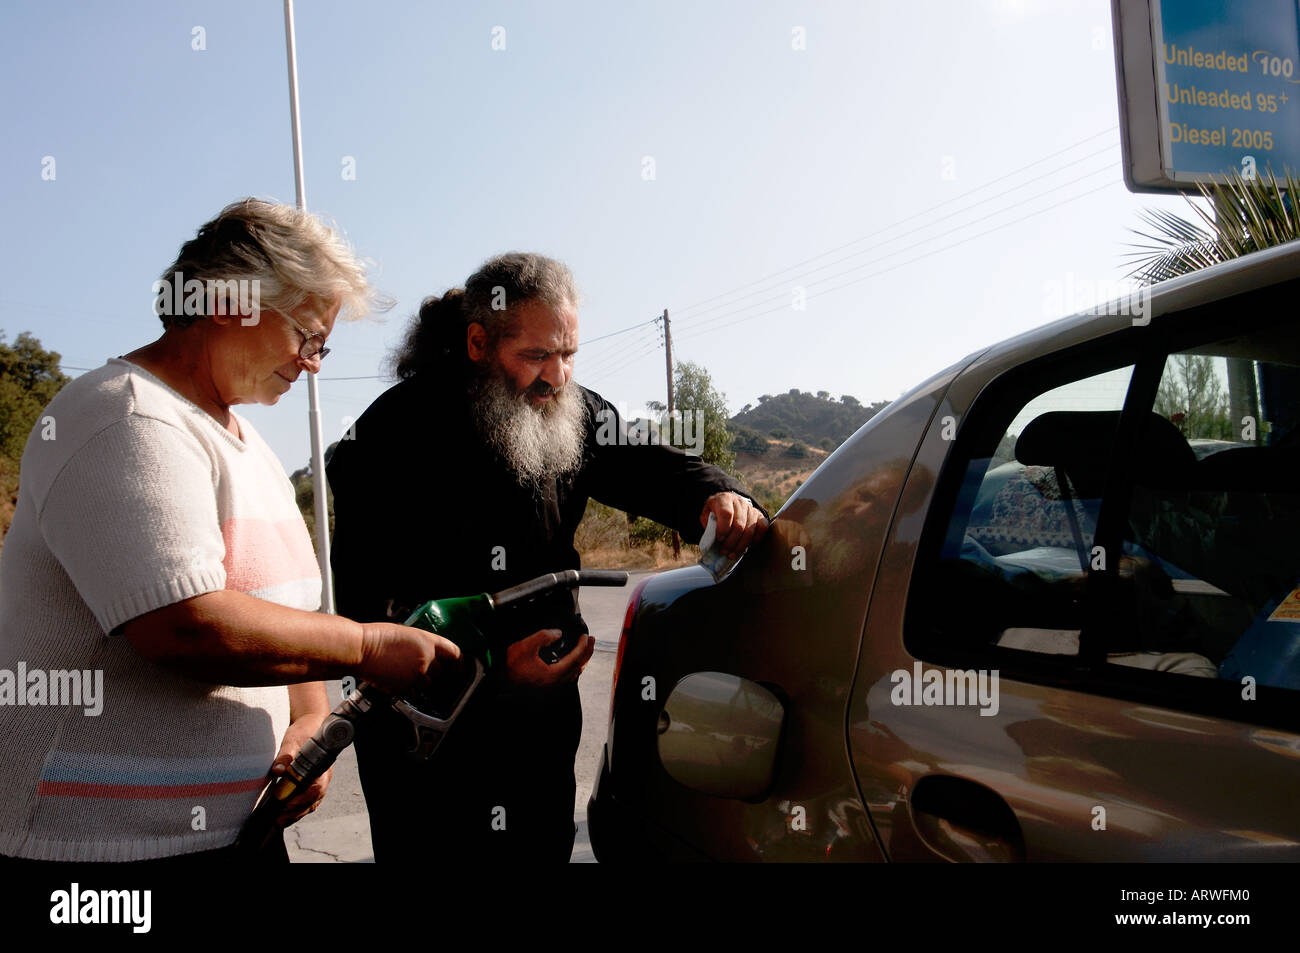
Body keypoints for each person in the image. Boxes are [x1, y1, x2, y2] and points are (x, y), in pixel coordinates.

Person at [0, 199, 461, 865]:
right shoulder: (124, 416)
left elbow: (292, 620)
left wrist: (311, 722)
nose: (313, 362)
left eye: (323, 345)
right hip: (95, 850)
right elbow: (182, 624)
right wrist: (366, 646)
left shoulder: (249, 446)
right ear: (227, 303)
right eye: (307, 335)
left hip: (238, 835)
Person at [327, 252, 769, 863]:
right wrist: (489, 674)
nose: (557, 376)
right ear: (478, 343)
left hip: (540, 725)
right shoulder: (388, 438)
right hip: (430, 742)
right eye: (536, 355)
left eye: (568, 355)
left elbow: (655, 469)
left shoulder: (578, 413)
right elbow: (370, 621)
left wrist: (719, 496)